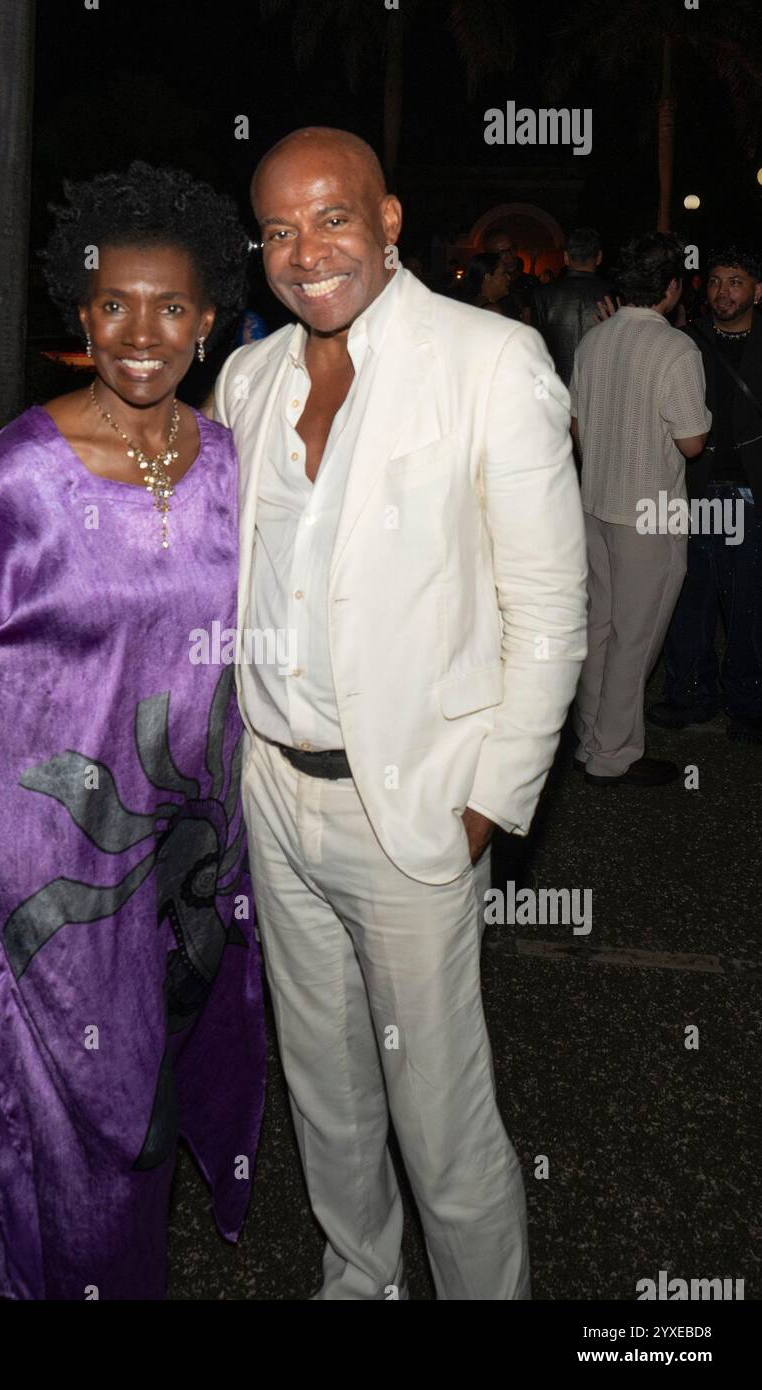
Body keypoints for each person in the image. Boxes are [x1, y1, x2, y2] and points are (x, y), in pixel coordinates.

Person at [0, 161, 265, 1300]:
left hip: (195, 846)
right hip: (65, 865)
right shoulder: (23, 472)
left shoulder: (228, 465)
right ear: (80, 316)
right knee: (96, 1107)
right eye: (113, 305)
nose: (141, 332)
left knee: (164, 1073)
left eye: (169, 306)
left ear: (208, 319)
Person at [214, 126, 587, 1300]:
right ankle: (358, 1276)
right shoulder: (248, 377)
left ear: (387, 221)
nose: (304, 250)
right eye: (279, 228)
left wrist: (489, 800)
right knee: (325, 1086)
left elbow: (550, 610)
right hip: (276, 788)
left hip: (416, 801)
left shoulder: (490, 357)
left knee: (440, 1111)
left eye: (332, 217)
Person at [570, 232, 711, 786]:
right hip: (649, 513)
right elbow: (692, 442)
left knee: (599, 629)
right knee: (636, 634)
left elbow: (576, 426)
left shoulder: (594, 340)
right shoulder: (676, 348)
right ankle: (614, 754)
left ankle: (590, 739)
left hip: (593, 504)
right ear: (672, 287)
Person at [649, 245, 762, 741]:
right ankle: (689, 692)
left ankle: (748, 700)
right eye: (715, 280)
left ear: (757, 290)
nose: (723, 291)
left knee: (748, 604)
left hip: (749, 493)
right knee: (690, 597)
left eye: (735, 281)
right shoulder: (685, 340)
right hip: (694, 488)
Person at [533, 227, 615, 384]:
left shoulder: (542, 294)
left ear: (566, 258)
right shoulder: (613, 293)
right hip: (598, 382)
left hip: (557, 384)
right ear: (598, 257)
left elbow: (537, 347)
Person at [483, 228, 537, 323]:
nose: (510, 256)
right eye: (502, 253)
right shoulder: (488, 288)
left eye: (512, 249)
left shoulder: (531, 282)